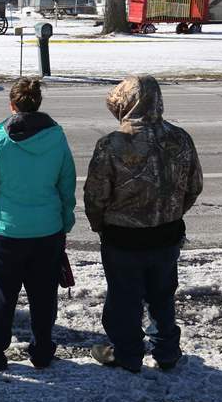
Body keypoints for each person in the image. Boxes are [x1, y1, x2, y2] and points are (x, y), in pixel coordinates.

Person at [84, 75, 203, 373]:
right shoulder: (180, 138)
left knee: (124, 299)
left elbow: (95, 196)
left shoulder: (112, 144)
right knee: (162, 296)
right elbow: (194, 186)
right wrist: (172, 211)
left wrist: (100, 225)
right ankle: (166, 351)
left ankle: (128, 353)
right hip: (166, 235)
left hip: (123, 239)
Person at [0, 78, 76, 372]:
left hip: (3, 233)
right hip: (46, 231)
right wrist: (65, 221)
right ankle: (42, 350)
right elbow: (66, 185)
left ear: (12, 105)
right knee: (43, 296)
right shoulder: (57, 138)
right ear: (38, 103)